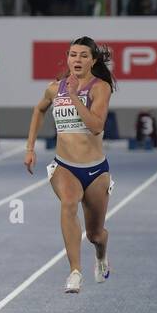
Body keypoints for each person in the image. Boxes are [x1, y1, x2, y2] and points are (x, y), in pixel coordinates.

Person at [23, 37, 115, 293]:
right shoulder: (54, 88)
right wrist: (30, 148)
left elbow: (96, 126)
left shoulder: (101, 87)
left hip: (96, 170)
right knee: (68, 202)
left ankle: (101, 256)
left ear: (93, 60)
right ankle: (75, 271)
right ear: (68, 58)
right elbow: (39, 110)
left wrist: (74, 96)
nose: (77, 60)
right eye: (73, 55)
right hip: (65, 166)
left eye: (84, 55)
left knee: (96, 234)